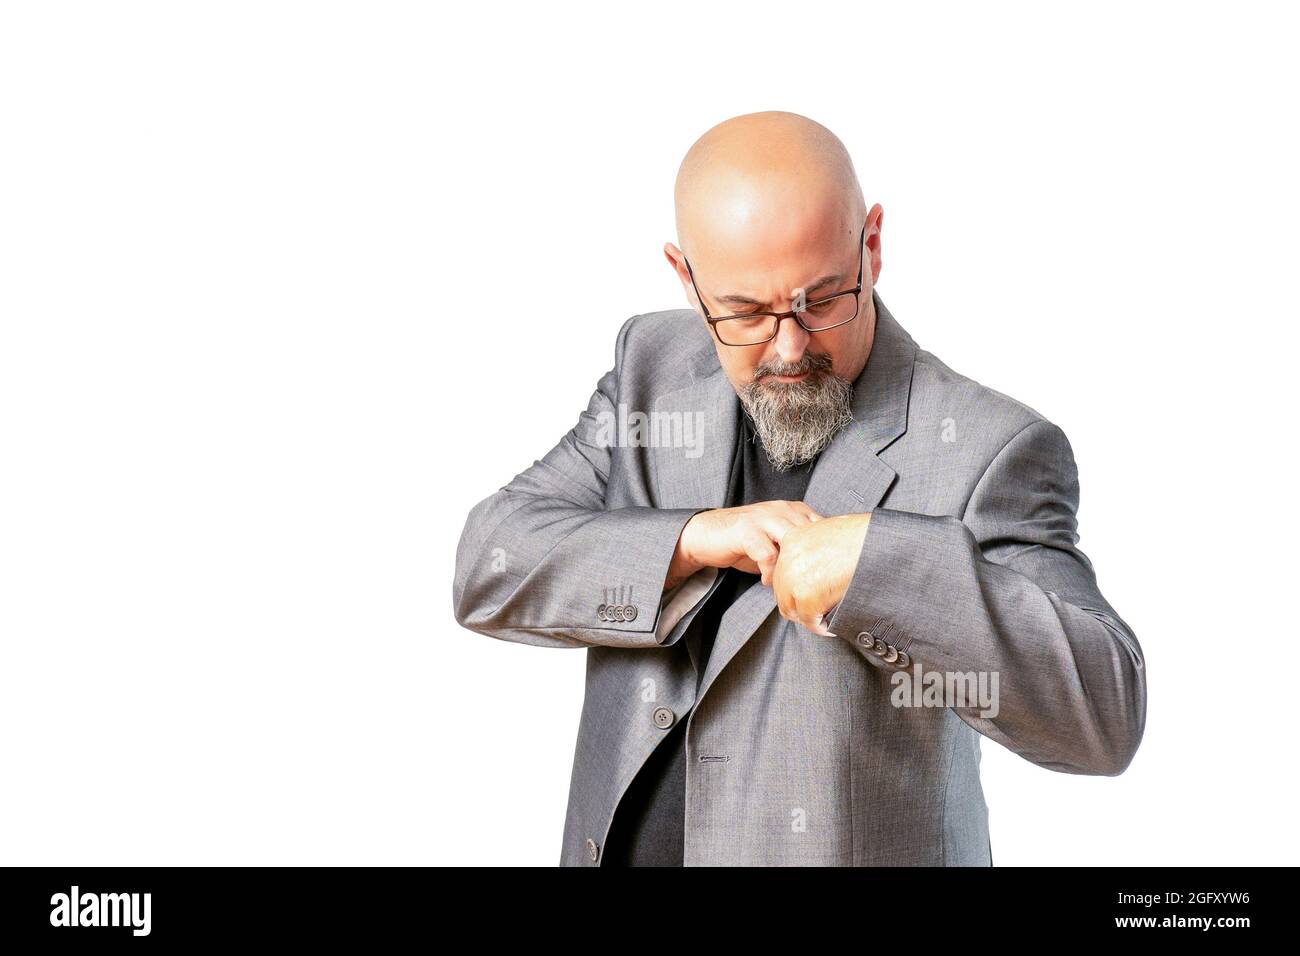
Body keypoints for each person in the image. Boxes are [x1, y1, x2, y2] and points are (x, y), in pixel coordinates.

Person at [452, 110, 1146, 866]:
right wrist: (688, 540)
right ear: (686, 278)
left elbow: (1103, 715)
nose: (789, 347)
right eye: (746, 312)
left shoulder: (989, 447)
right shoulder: (650, 371)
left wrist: (885, 568)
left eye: (821, 300)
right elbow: (491, 565)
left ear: (871, 247)